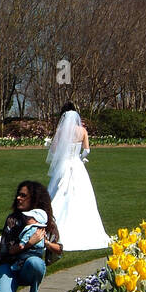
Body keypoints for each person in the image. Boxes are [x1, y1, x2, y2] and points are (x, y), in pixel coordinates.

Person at [0, 181, 62, 292]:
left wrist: (46, 243)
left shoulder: (45, 222)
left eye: (23, 196)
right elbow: (8, 251)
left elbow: (59, 250)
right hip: (10, 265)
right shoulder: (13, 219)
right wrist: (30, 242)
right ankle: (10, 286)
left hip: (28, 268)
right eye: (18, 195)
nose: (18, 198)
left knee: (36, 263)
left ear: (35, 199)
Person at [46, 105, 108, 251]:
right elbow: (87, 150)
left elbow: (54, 150)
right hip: (77, 164)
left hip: (64, 165)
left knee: (57, 191)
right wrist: (80, 157)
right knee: (83, 195)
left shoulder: (61, 131)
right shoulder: (83, 131)